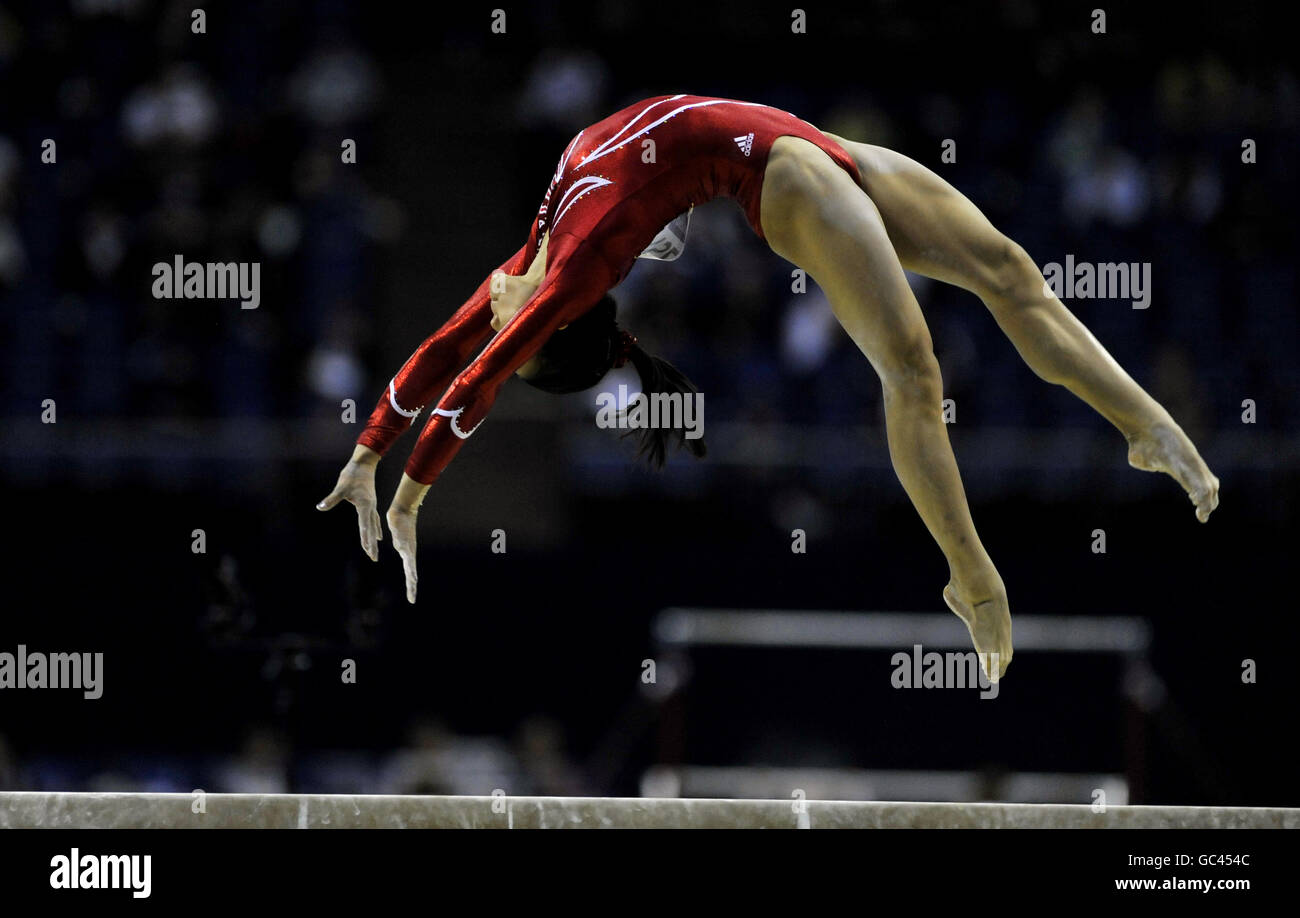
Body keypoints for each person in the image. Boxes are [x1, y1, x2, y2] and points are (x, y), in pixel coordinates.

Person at [318, 94, 1220, 680]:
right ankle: (974, 579)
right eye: (515, 331)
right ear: (547, 328)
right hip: (781, 177)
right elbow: (476, 373)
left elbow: (444, 354)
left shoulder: (534, 249)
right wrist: (412, 494)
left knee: (1010, 271)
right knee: (912, 367)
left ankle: (1145, 425)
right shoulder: (572, 270)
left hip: (803, 141)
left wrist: (368, 459)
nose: (491, 310)